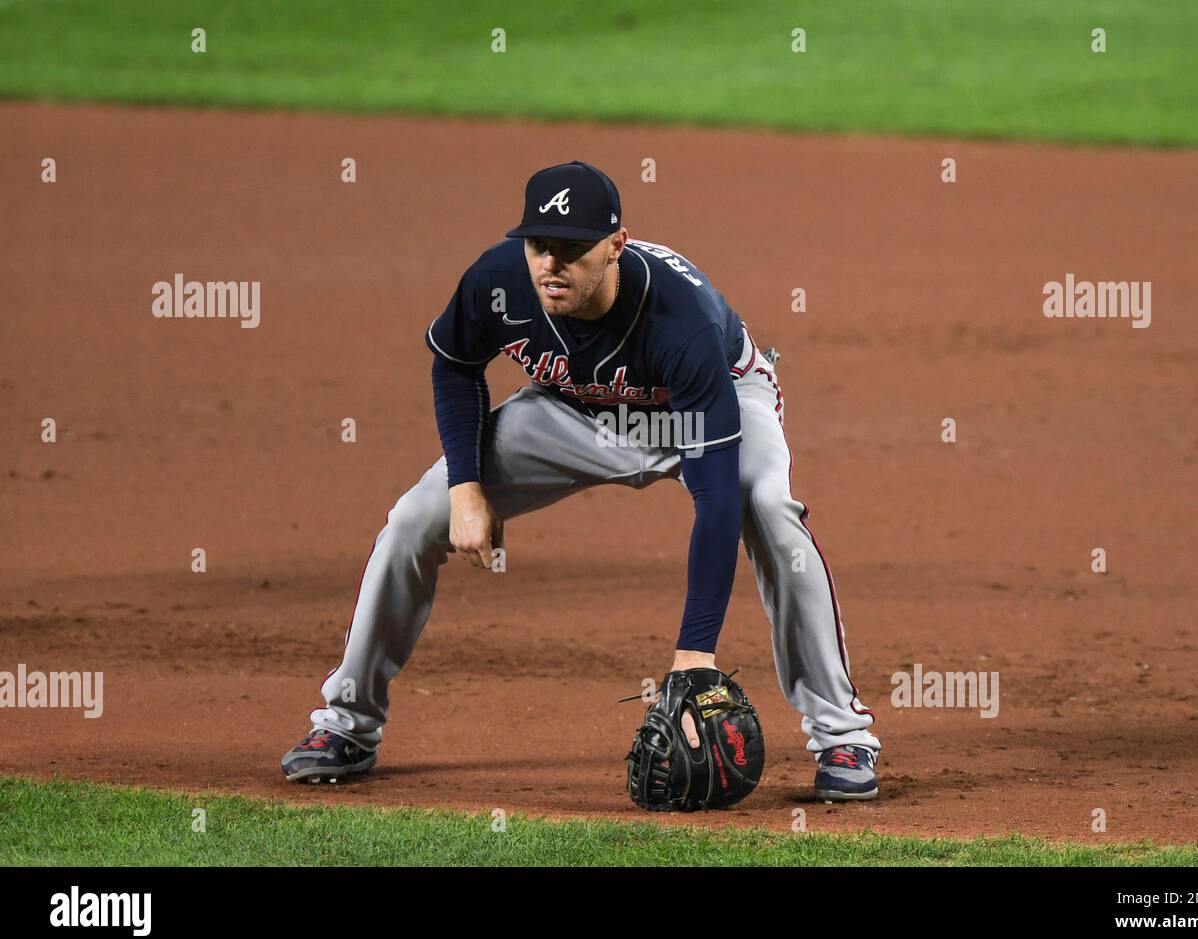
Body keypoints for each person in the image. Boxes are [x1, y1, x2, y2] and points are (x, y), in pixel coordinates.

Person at [281, 160, 882, 802]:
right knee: (412, 517)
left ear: (615, 246)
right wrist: (465, 489)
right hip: (572, 408)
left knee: (765, 507)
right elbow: (455, 366)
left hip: (711, 401)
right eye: (540, 245)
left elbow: (714, 500)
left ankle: (842, 734)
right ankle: (347, 725)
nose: (551, 264)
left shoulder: (684, 322)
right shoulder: (496, 282)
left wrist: (695, 655)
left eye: (573, 249)